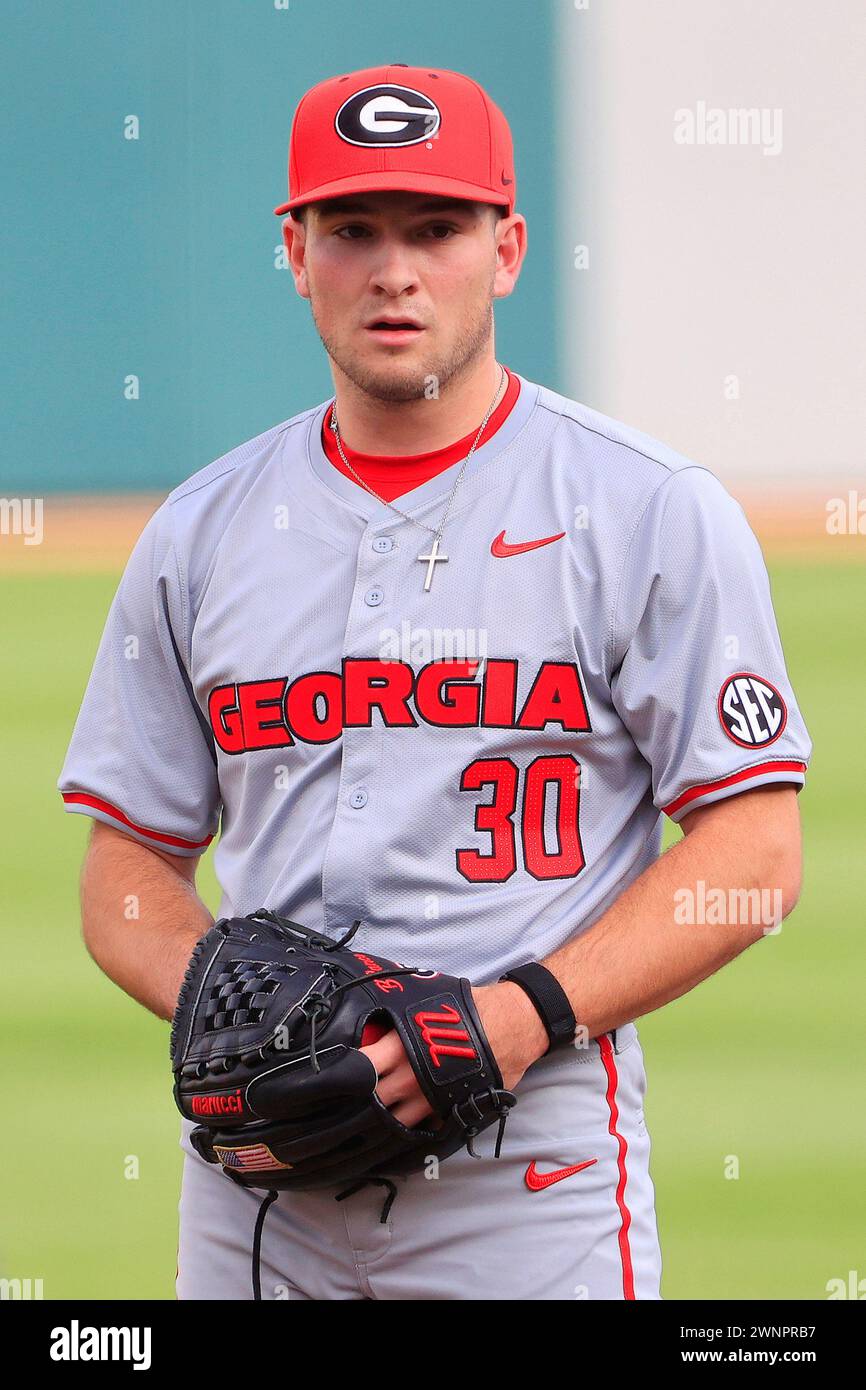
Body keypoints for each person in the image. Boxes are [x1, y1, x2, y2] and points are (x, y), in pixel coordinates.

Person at [59, 63, 811, 1300]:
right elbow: (123, 868)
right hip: (260, 1183)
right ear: (294, 252)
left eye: (437, 228)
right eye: (351, 229)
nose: (393, 270)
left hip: (531, 1179)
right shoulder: (199, 533)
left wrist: (514, 1015)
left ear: (506, 249)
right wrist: (240, 1015)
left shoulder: (644, 510)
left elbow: (754, 852)